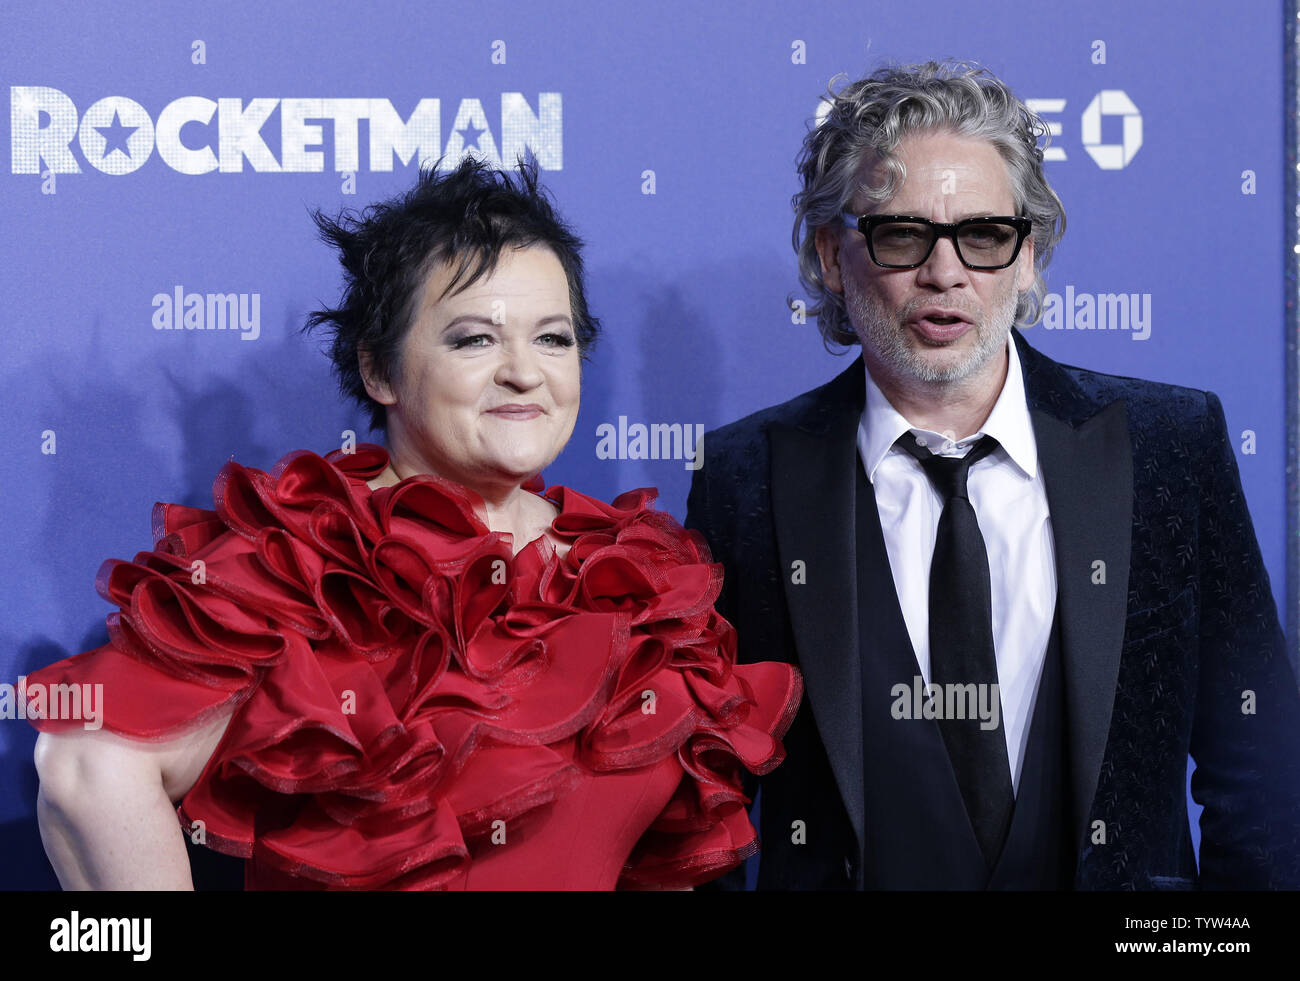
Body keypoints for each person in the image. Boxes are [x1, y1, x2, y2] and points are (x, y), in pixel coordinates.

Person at [28, 157, 802, 891]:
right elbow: (84, 764)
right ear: (378, 369)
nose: (523, 371)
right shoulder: (310, 568)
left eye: (553, 337)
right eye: (474, 338)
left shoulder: (638, 581)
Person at [687, 60, 1300, 890]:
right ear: (834, 254)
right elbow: (706, 806)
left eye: (983, 235)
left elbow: (1261, 768)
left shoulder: (1170, 446)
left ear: (1029, 255)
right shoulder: (743, 477)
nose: (946, 274)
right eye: (902, 234)